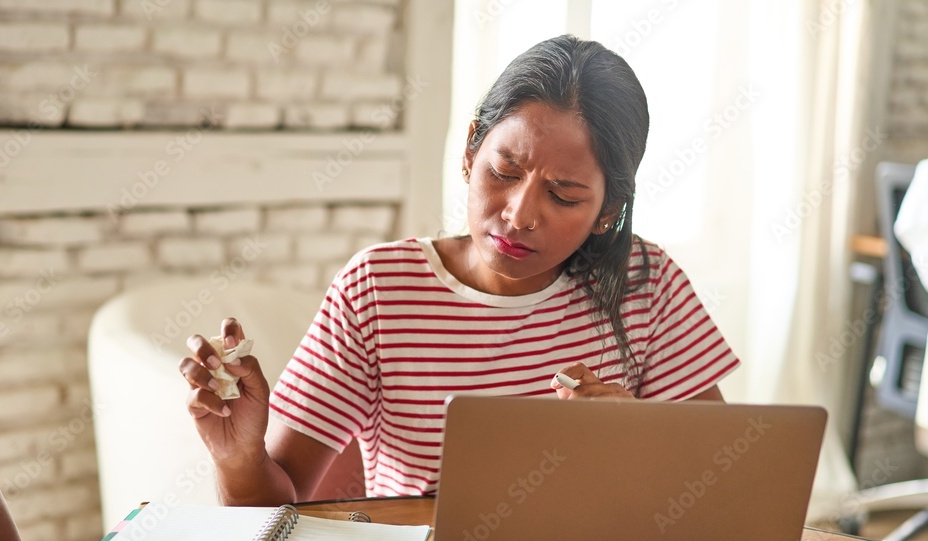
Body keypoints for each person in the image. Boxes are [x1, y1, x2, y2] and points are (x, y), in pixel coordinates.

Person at [180, 35, 739, 506]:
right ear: (471, 150)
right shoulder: (378, 288)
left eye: (563, 197)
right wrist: (237, 458)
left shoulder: (647, 283)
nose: (519, 215)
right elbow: (274, 509)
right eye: (504, 171)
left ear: (608, 213)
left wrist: (644, 439)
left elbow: (727, 489)